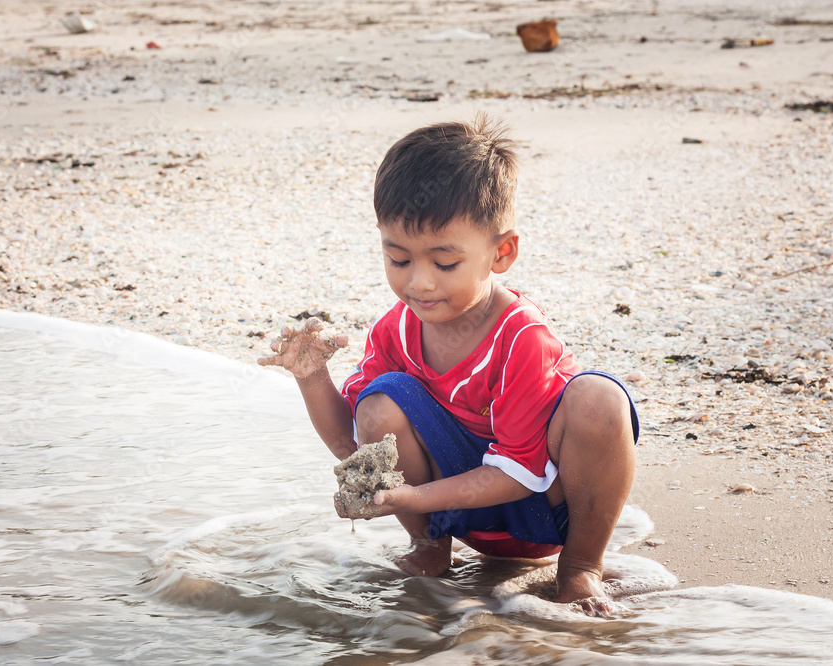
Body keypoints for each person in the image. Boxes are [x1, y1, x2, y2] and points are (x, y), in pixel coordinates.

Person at [258, 113, 639, 616]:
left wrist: (411, 497)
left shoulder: (522, 335)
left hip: (541, 508)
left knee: (600, 399)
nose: (420, 283)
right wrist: (311, 378)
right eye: (399, 260)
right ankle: (429, 548)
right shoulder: (395, 330)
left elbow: (519, 473)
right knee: (378, 403)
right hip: (451, 516)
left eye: (444, 263)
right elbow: (357, 447)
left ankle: (581, 568)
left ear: (501, 253)